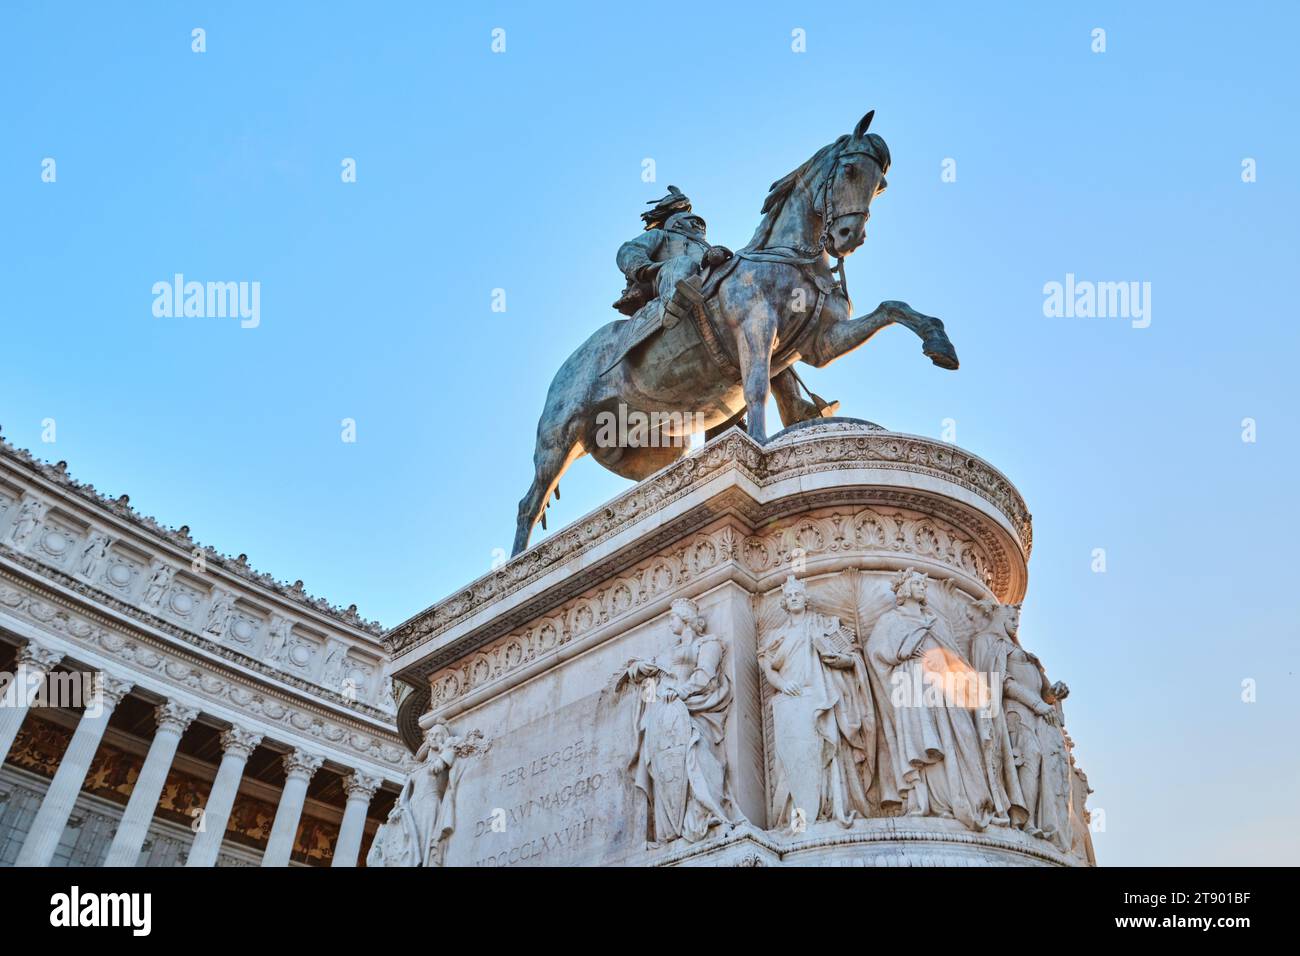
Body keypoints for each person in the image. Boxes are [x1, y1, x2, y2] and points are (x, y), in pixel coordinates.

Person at [759, 575, 874, 828]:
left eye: (797, 594)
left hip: (818, 696)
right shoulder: (777, 635)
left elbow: (849, 651)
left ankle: (826, 810)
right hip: (791, 703)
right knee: (791, 762)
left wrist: (842, 660)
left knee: (823, 752)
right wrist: (782, 684)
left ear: (805, 599)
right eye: (789, 596)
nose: (793, 598)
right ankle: (798, 820)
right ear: (785, 604)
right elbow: (769, 669)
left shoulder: (821, 624)